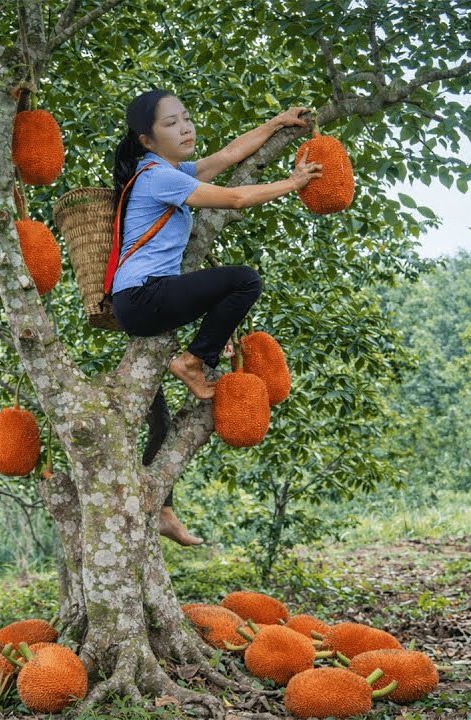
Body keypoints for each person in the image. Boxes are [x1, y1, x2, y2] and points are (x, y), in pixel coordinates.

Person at [109, 89, 322, 545]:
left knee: (158, 419)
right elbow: (237, 198)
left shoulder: (172, 171)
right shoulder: (155, 177)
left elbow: (227, 156)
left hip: (141, 301)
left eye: (185, 118)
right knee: (244, 280)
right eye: (171, 123)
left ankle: (164, 507)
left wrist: (277, 123)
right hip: (144, 297)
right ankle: (193, 360)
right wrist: (294, 184)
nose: (185, 128)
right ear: (147, 140)